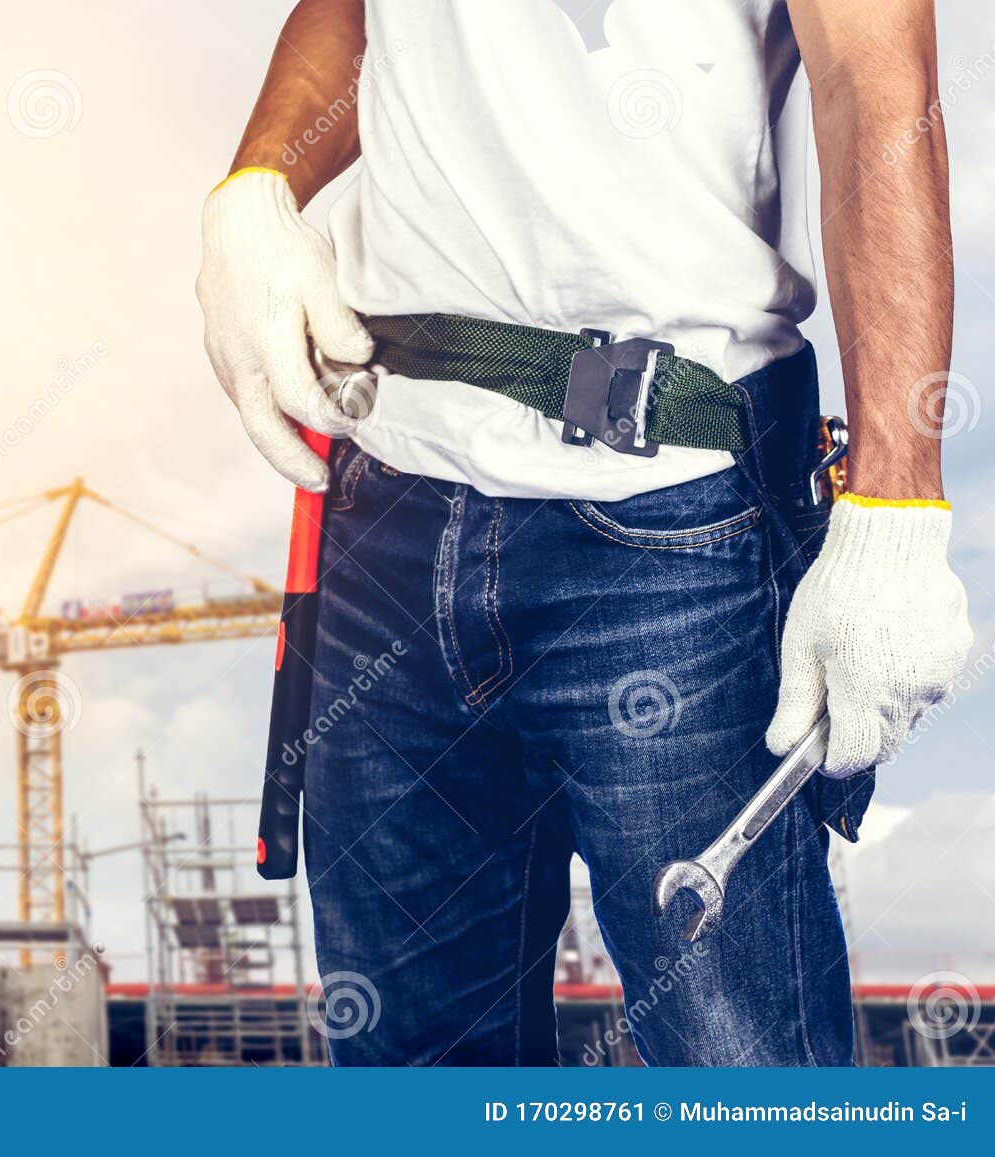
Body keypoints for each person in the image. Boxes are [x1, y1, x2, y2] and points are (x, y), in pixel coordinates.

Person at [197, 0, 972, 1066]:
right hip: (386, 500)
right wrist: (258, 185)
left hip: (674, 521)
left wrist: (896, 503)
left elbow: (874, 83)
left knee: (743, 1087)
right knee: (407, 1081)